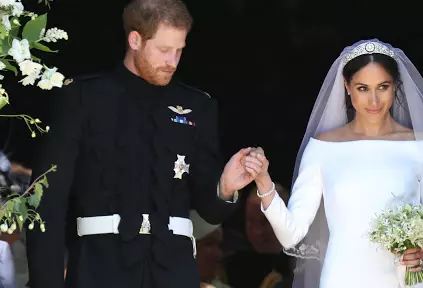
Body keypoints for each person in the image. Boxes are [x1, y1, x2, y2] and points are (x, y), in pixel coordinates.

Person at [25, 0, 258, 287]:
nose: (172, 61)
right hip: (100, 269)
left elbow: (208, 207)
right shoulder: (84, 98)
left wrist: (225, 187)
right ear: (135, 40)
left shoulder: (197, 106)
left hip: (174, 272)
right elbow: (47, 201)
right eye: (163, 50)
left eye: (179, 51)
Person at [242, 39, 423, 287]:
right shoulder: (322, 148)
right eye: (363, 88)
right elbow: (290, 235)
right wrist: (264, 182)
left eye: (382, 86)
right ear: (347, 86)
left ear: (395, 85)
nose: (374, 100)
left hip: (407, 281)